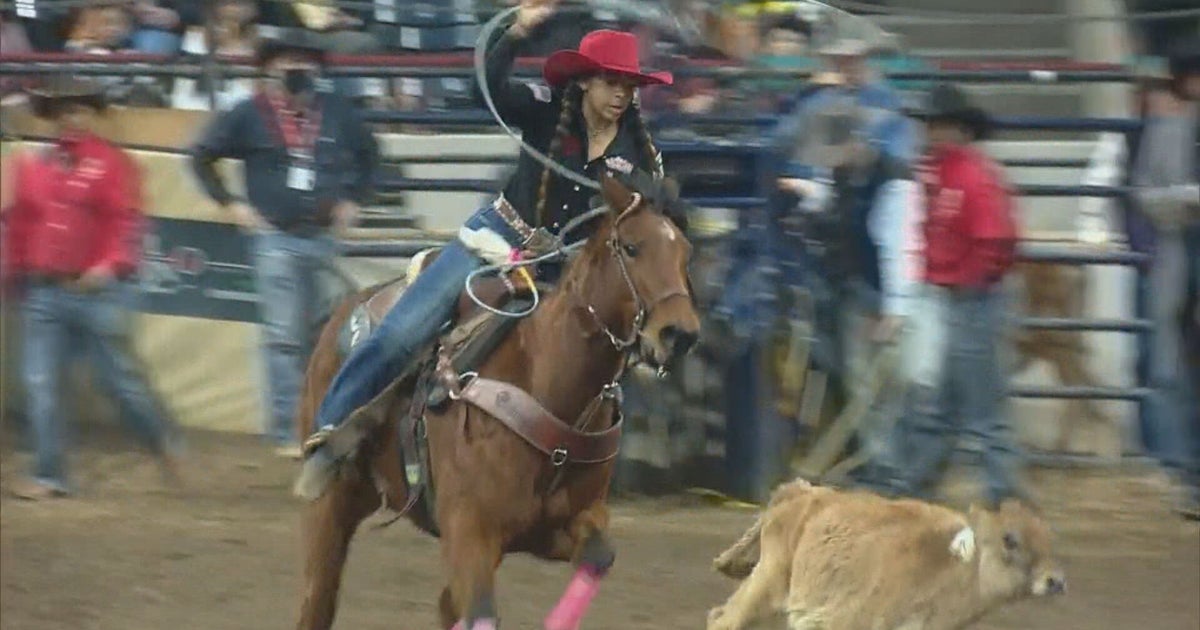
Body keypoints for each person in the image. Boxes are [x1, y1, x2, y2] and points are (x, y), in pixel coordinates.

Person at [299, 4, 674, 476]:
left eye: (628, 86)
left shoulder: (636, 148)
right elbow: (486, 89)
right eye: (610, 83)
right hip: (498, 240)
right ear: (584, 81)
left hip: (573, 266)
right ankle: (330, 427)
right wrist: (515, 36)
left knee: (614, 350)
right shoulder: (544, 108)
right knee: (402, 333)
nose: (621, 95)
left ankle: (586, 465)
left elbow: (649, 213)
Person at [188, 28, 378, 457]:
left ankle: (324, 421)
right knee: (284, 338)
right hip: (275, 236)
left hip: (323, 235)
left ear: (316, 69)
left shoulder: (337, 112)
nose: (295, 69)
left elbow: (371, 158)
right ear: (268, 69)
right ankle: (289, 431)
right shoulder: (247, 113)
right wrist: (230, 204)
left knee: (326, 335)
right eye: (286, 61)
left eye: (303, 60)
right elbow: (201, 156)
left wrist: (353, 200)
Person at [0, 76, 183, 500]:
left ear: (91, 114)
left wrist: (109, 264)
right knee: (41, 384)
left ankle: (162, 441)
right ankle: (50, 475)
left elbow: (127, 221)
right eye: (63, 110)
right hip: (44, 290)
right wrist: (13, 277)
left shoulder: (112, 163)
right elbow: (20, 223)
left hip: (97, 290)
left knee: (119, 382)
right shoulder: (31, 164)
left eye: (79, 109)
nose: (72, 118)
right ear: (51, 118)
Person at [771, 36, 918, 489]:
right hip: (853, 278)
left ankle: (890, 472)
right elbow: (837, 201)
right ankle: (880, 468)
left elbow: (896, 236)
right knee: (859, 381)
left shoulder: (889, 168)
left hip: (869, 284)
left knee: (875, 385)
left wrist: (895, 306)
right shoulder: (855, 159)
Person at [895, 83, 1024, 507]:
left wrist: (970, 280)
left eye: (936, 125)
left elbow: (997, 242)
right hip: (958, 296)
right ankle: (918, 488)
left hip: (972, 298)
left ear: (957, 129)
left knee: (975, 410)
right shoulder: (947, 174)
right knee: (953, 405)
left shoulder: (970, 177)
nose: (929, 133)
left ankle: (999, 497)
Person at [1127, 35, 1200, 520]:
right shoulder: (1166, 130)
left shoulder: (1167, 127)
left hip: (1182, 253)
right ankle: (1188, 473)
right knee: (1174, 367)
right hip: (1179, 251)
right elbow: (1144, 193)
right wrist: (1183, 201)